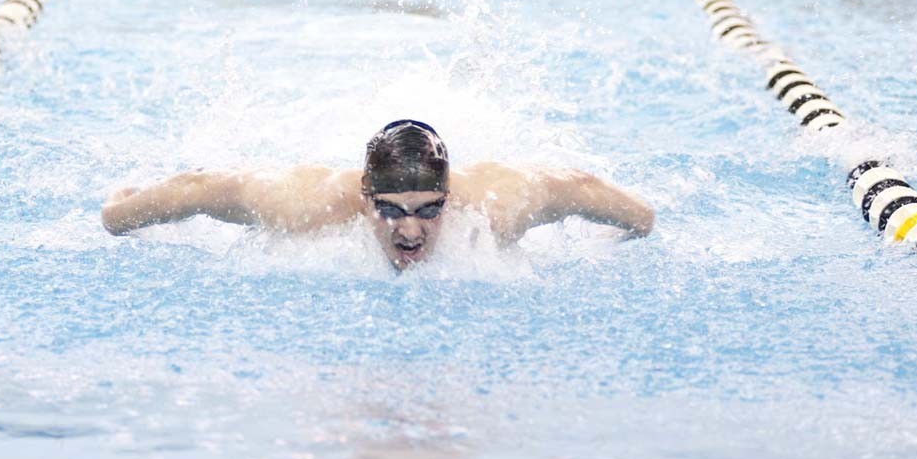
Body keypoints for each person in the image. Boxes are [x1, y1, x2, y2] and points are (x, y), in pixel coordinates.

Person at [101, 120, 654, 269]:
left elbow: (597, 195)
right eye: (389, 210)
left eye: (428, 211)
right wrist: (120, 209)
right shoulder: (304, 205)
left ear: (449, 195)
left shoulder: (499, 206)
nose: (408, 231)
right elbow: (201, 187)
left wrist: (621, 232)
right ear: (364, 198)